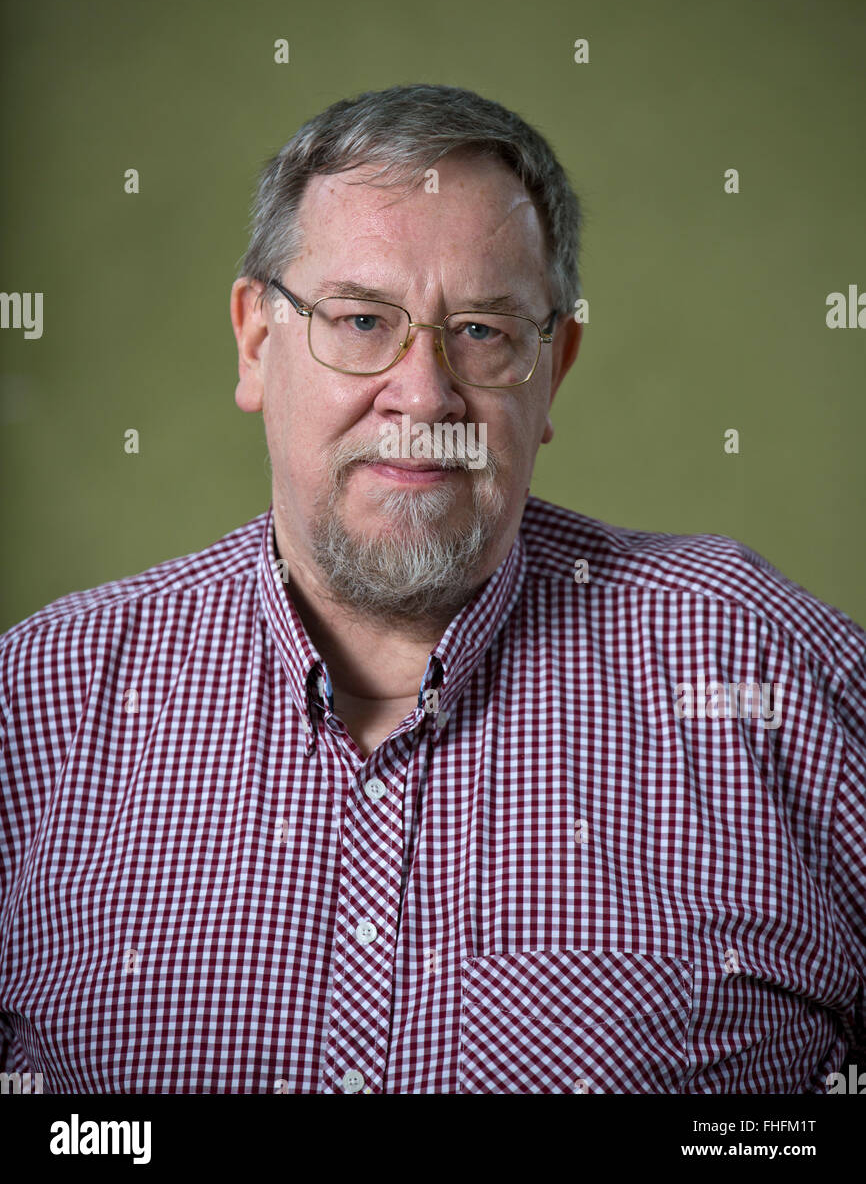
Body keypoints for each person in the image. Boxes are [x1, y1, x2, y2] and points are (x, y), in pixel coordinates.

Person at [1, 83, 863, 1095]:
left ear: (553, 365)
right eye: (362, 319)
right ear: (254, 339)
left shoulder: (765, 674)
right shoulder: (43, 700)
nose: (421, 392)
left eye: (485, 332)